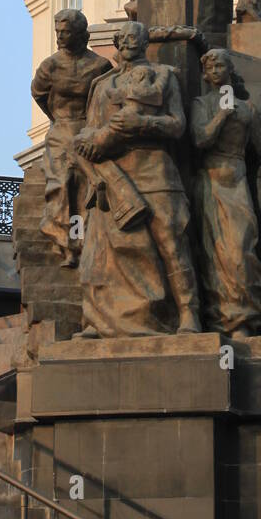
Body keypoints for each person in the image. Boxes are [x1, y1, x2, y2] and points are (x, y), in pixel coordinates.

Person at [73, 21, 203, 336]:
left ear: (145, 43)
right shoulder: (102, 85)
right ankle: (102, 320)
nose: (130, 41)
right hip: (113, 173)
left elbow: (177, 126)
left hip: (155, 170)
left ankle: (189, 315)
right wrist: (95, 141)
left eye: (136, 37)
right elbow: (89, 130)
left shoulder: (163, 76)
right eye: (125, 37)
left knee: (171, 243)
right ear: (117, 43)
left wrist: (141, 124)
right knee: (105, 251)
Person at [190, 49, 261, 337]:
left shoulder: (247, 109)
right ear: (205, 75)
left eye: (221, 65)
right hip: (210, 187)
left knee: (240, 251)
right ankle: (221, 322)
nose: (215, 70)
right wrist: (222, 114)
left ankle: (243, 319)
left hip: (236, 185)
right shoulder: (200, 105)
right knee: (213, 256)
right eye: (210, 67)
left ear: (230, 70)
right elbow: (200, 139)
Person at [31, 8, 112, 265]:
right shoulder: (50, 66)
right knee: (62, 185)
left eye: (65, 32)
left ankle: (80, 242)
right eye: (58, 32)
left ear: (79, 34)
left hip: (88, 131)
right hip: (62, 131)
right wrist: (58, 118)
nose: (60, 37)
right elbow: (39, 95)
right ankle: (65, 243)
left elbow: (105, 98)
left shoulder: (100, 65)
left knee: (84, 188)